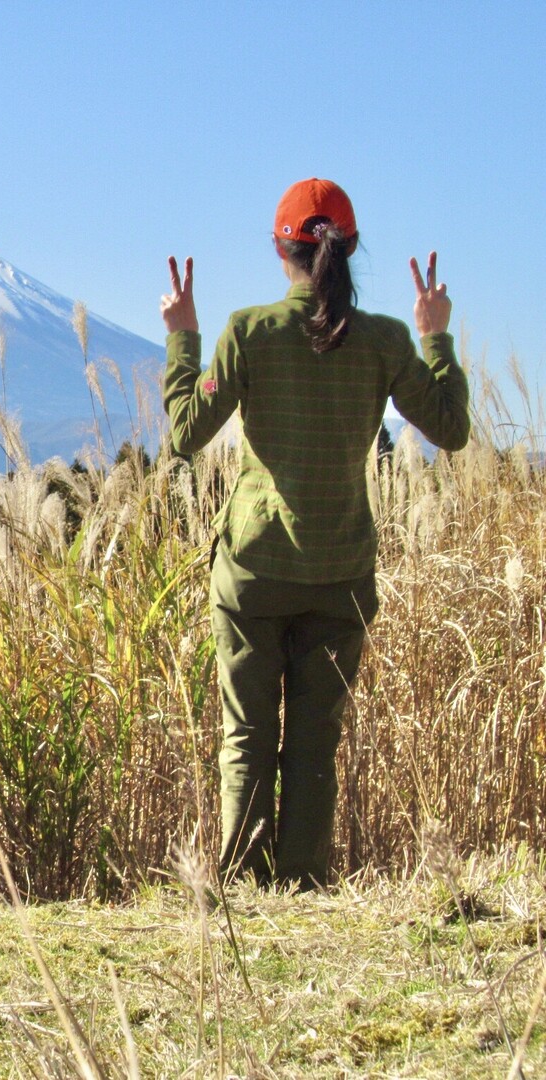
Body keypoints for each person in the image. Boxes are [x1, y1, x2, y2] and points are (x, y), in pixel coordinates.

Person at [159, 178, 469, 889]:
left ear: (280, 248)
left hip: (253, 571)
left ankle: (240, 889)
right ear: (351, 248)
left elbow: (184, 434)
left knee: (247, 737)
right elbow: (451, 428)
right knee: (313, 747)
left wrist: (182, 340)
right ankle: (301, 887)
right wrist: (436, 332)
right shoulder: (387, 341)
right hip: (341, 573)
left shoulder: (249, 332)